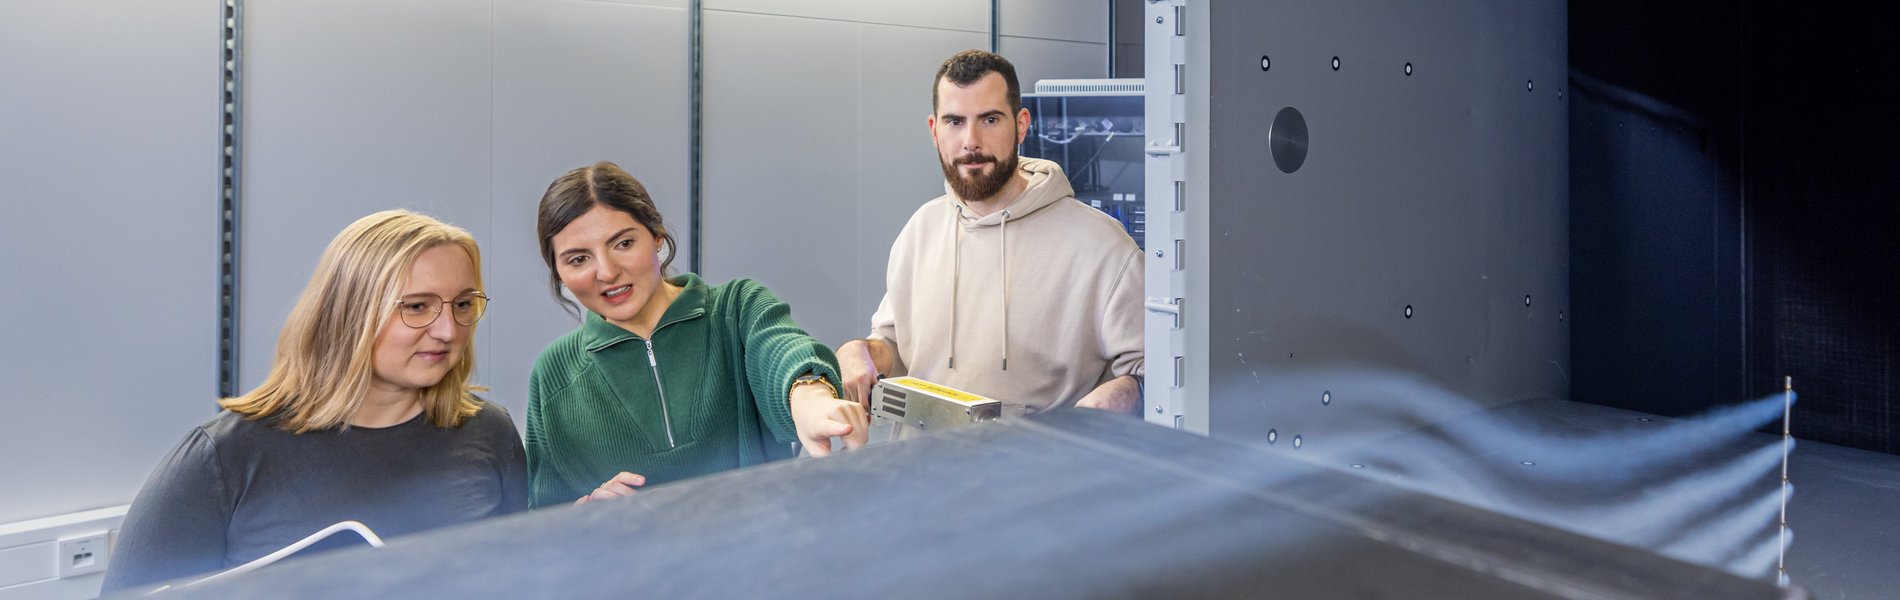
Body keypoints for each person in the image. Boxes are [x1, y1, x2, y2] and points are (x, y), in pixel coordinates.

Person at [102, 210, 528, 594]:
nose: (448, 331)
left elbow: (519, 578)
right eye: (417, 307)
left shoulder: (489, 432)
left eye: (462, 305)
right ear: (348, 313)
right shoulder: (226, 456)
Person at [526, 161, 867, 508]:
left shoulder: (737, 309)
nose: (607, 271)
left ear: (657, 237)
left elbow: (783, 350)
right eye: (579, 259)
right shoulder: (553, 376)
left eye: (624, 243)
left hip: (762, 552)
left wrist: (810, 397)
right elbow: (543, 520)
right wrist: (585, 514)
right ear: (559, 273)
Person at [836, 49, 1144, 417]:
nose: (971, 141)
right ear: (934, 131)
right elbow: (893, 345)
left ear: (1021, 124)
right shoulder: (921, 230)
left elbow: (1160, 377)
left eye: (990, 120)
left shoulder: (1103, 246)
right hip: (923, 463)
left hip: (1041, 468)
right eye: (954, 121)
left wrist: (1128, 391)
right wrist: (860, 351)